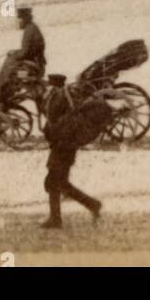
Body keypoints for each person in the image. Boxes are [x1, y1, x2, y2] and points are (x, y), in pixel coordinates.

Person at [40, 74, 107, 229]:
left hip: (62, 146)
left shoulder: (57, 98)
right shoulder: (62, 95)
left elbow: (55, 121)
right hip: (65, 145)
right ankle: (91, 204)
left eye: (49, 84)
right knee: (59, 183)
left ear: (53, 85)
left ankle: (56, 219)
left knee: (53, 182)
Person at [0, 6, 47, 100]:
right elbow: (28, 50)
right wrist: (15, 52)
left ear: (25, 19)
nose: (18, 21)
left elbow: (24, 54)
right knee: (10, 61)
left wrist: (14, 54)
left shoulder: (29, 31)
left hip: (30, 72)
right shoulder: (32, 28)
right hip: (37, 66)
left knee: (10, 70)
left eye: (19, 18)